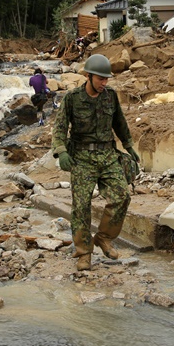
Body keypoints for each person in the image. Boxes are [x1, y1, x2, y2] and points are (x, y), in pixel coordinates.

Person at [51, 54, 139, 271]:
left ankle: (104, 238)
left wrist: (129, 147)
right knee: (81, 206)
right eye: (100, 79)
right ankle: (83, 253)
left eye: (106, 79)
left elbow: (120, 122)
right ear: (88, 76)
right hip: (81, 158)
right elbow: (60, 128)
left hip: (108, 156)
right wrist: (61, 152)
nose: (104, 83)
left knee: (122, 196)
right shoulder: (72, 98)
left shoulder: (110, 96)